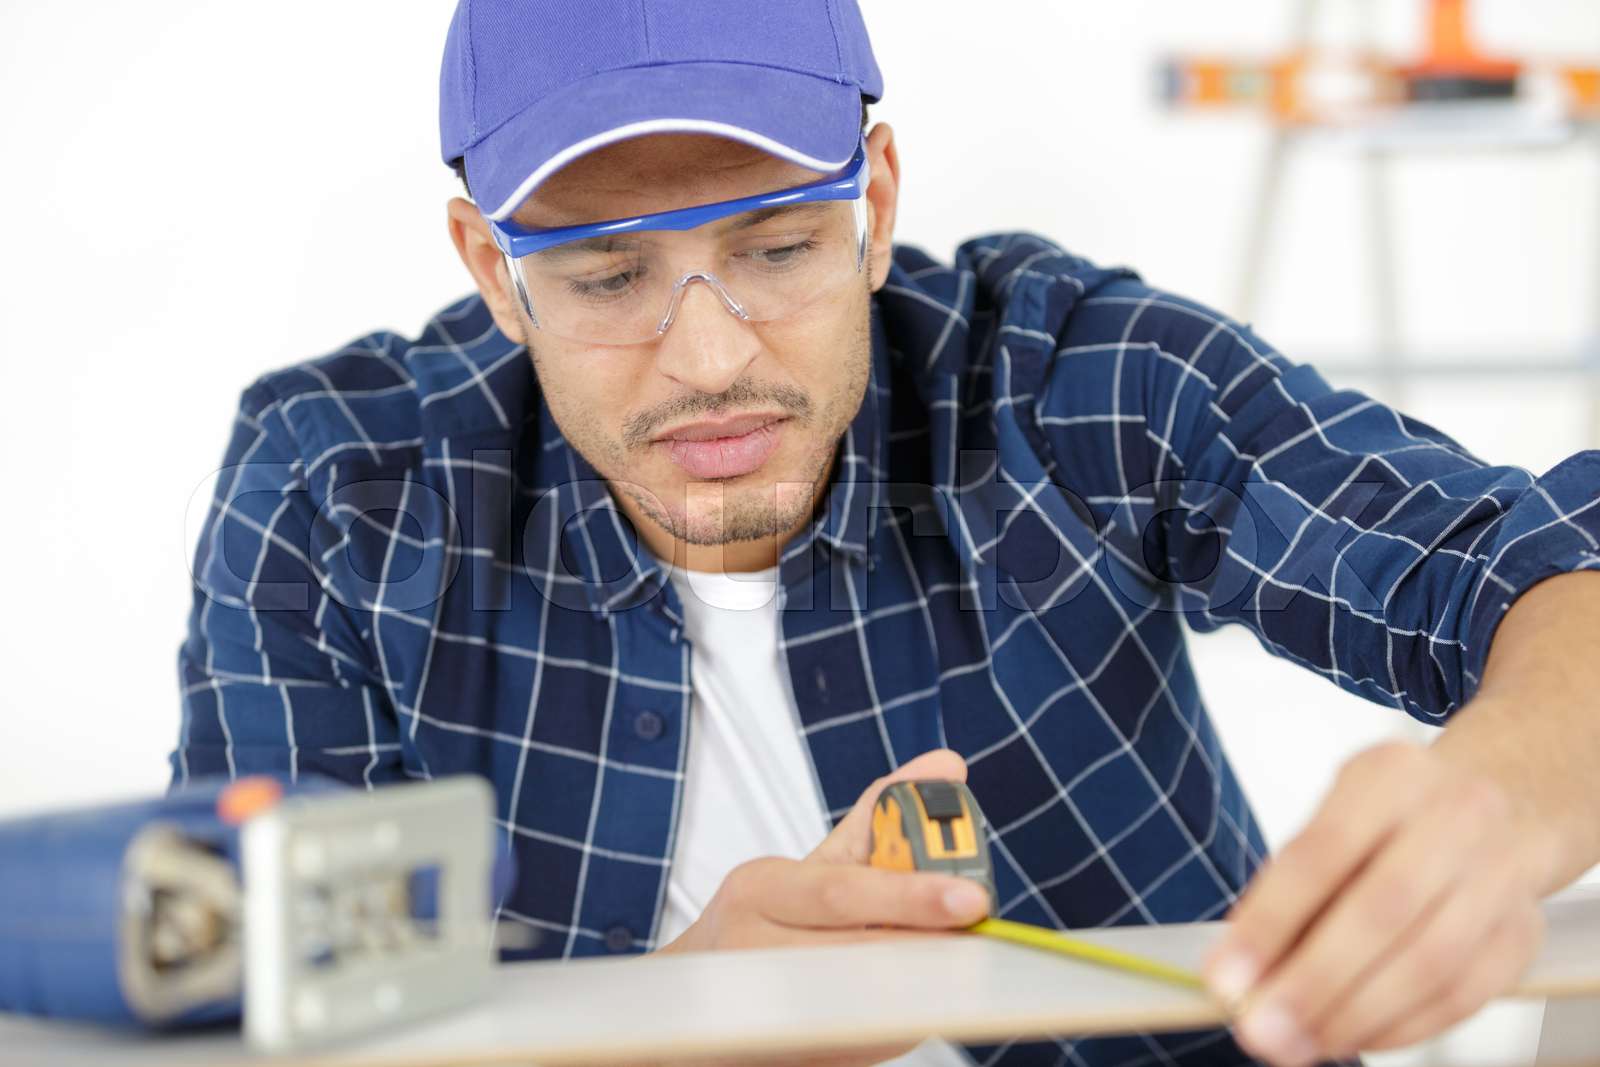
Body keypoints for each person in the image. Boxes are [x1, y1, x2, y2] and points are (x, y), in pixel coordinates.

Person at [174, 2, 1600, 1064]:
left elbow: (1542, 570)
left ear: (877, 204)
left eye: (779, 248)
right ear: (492, 269)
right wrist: (676, 1025)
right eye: (609, 278)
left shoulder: (1078, 381)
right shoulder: (338, 489)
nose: (707, 359)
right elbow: (258, 1012)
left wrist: (1502, 800)